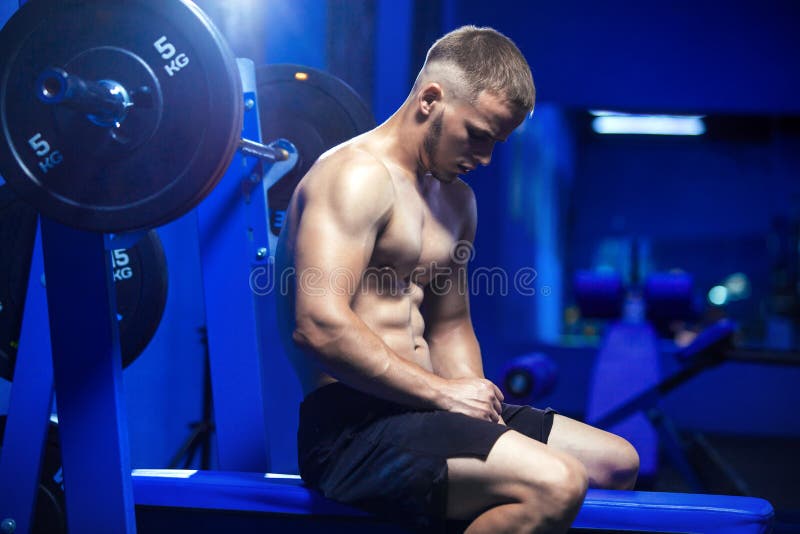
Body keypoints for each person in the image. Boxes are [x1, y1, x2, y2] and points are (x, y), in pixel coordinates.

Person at [275, 25, 639, 532]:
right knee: (556, 482)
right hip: (352, 429)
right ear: (430, 99)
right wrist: (443, 395)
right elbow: (317, 325)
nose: (486, 159)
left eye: (498, 143)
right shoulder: (353, 176)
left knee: (616, 462)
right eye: (478, 135)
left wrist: (474, 402)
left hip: (426, 410)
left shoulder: (456, 201)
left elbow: (448, 326)